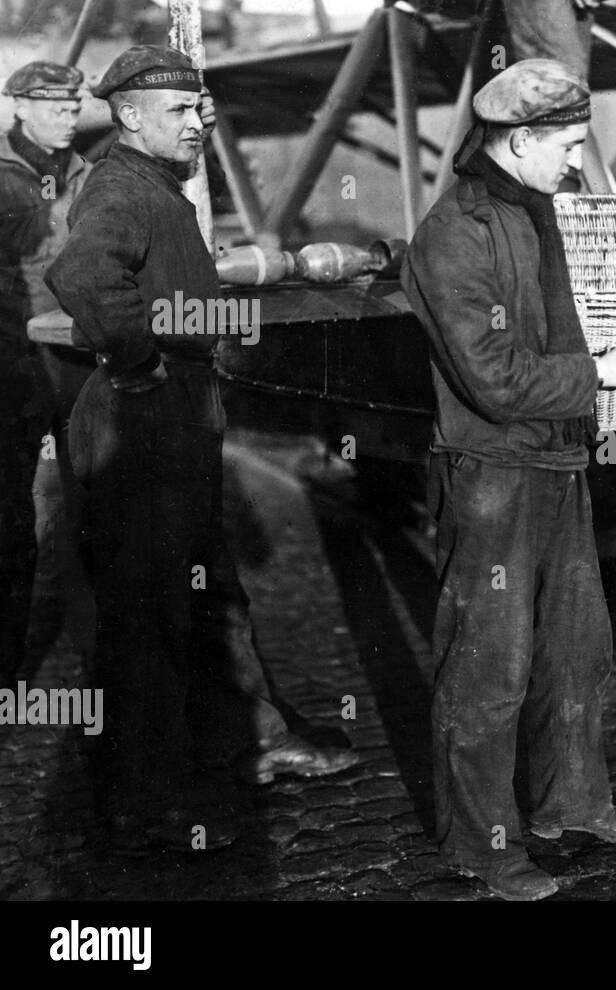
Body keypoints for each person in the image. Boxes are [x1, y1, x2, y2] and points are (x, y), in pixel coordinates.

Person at [45, 46, 357, 856]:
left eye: (199, 110)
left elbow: (163, 283)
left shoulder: (157, 183)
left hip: (178, 410)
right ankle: (143, 806)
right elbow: (83, 276)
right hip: (140, 414)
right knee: (147, 613)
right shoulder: (120, 189)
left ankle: (250, 736)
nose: (195, 124)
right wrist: (140, 359)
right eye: (178, 113)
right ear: (128, 116)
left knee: (210, 587)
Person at [401, 58, 616, 901]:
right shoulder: (456, 231)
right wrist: (605, 374)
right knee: (490, 669)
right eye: (569, 145)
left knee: (578, 654)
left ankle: (573, 802)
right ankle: (485, 845)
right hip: (492, 471)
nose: (577, 161)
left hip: (558, 462)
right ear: (519, 141)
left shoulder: (545, 211)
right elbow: (491, 376)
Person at [0, 61, 89, 689]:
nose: (66, 114)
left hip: (78, 362)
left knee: (103, 508)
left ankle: (114, 665)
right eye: (52, 104)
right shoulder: (4, 179)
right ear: (19, 107)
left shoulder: (85, 170)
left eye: (73, 104)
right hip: (11, 366)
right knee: (7, 524)